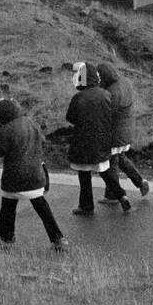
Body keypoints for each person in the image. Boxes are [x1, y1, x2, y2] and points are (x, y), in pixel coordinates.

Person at [0, 98, 66, 251]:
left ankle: (6, 240)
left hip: (14, 178)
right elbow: (42, 140)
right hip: (36, 175)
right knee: (42, 207)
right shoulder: (31, 122)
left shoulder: (6, 130)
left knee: (8, 207)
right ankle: (58, 239)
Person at [65, 63, 129, 215]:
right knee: (105, 171)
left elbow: (70, 117)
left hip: (82, 141)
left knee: (84, 175)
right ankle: (122, 195)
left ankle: (86, 206)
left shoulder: (78, 98)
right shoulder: (106, 95)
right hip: (102, 140)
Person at [97, 61, 149, 199]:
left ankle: (113, 195)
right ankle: (140, 181)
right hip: (126, 129)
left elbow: (107, 115)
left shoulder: (112, 92)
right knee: (120, 158)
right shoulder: (125, 82)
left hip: (115, 133)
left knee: (111, 163)